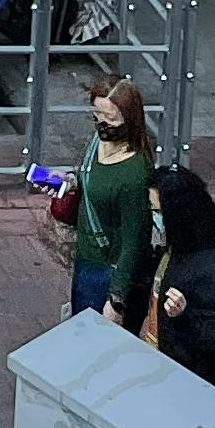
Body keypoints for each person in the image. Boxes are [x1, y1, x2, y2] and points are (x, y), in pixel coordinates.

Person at [128, 163, 215, 394]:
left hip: (196, 384)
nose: (154, 218)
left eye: (158, 212)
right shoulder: (186, 240)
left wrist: (184, 315)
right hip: (170, 362)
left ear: (177, 214)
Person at [60, 78, 155, 317]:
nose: (102, 124)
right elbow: (89, 176)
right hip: (86, 259)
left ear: (129, 118)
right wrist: (72, 182)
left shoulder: (134, 174)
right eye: (97, 115)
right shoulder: (97, 143)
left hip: (108, 270)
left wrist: (116, 299)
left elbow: (134, 240)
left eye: (110, 118)